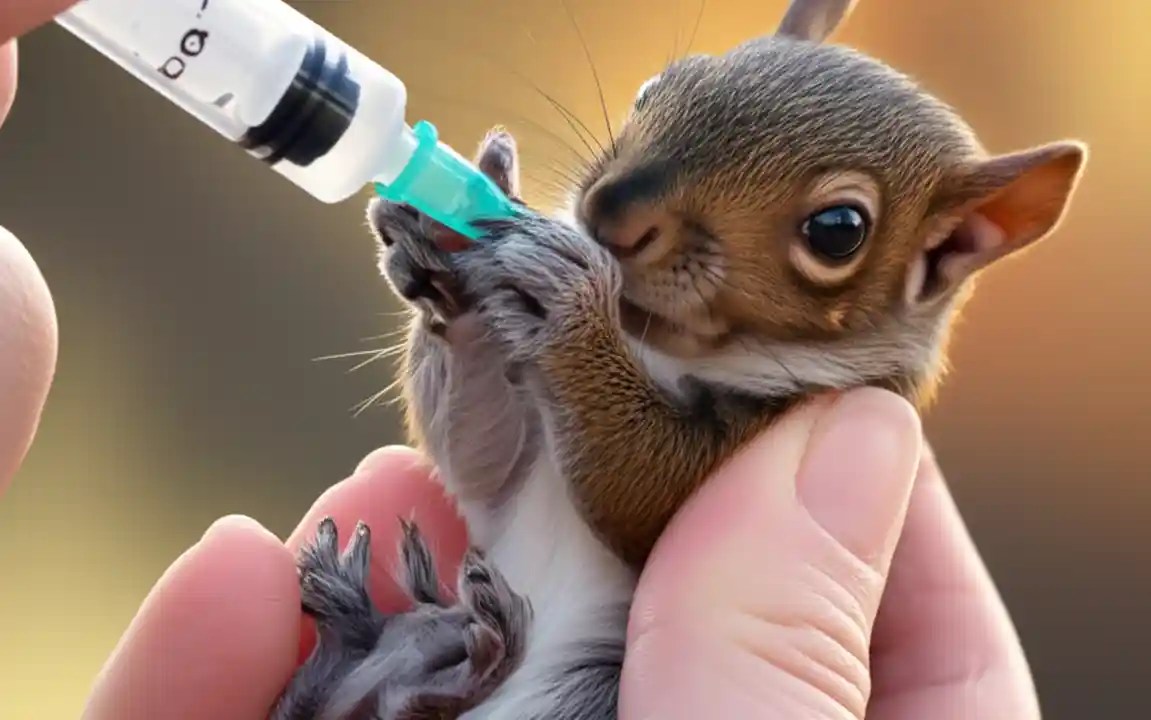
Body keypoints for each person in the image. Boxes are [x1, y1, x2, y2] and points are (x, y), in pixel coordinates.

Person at [0, 7, 1041, 718]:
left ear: (946, 249)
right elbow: (485, 474)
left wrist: (574, 334)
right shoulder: (617, 299)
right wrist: (459, 322)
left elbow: (638, 501)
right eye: (656, 106)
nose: (621, 211)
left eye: (830, 229)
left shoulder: (808, 415)